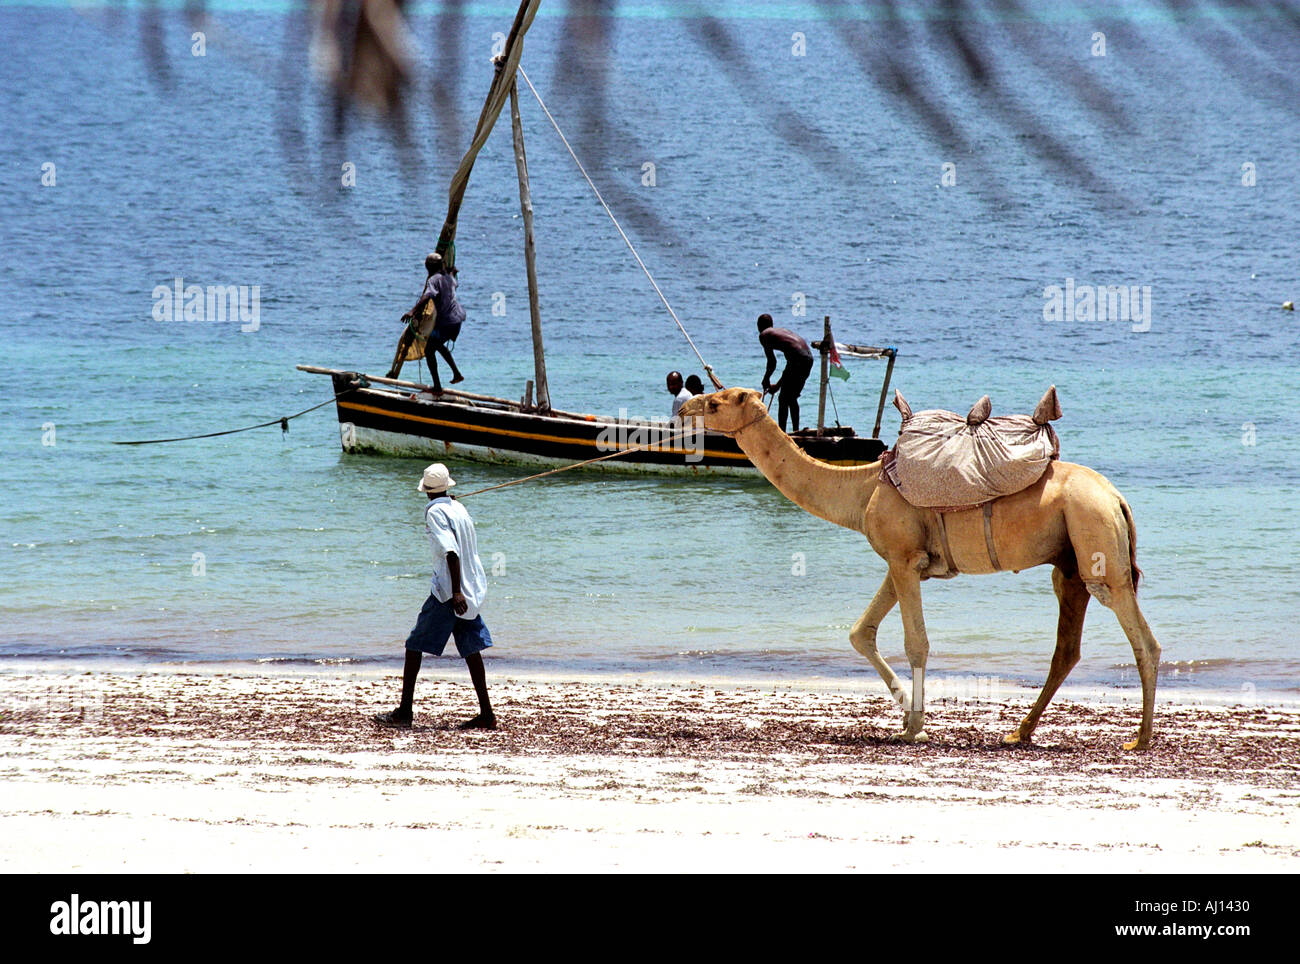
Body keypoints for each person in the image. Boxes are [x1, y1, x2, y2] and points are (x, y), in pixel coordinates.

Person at [374, 463, 495, 730]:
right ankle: (486, 714)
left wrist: (455, 592)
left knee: (413, 645)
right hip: (469, 588)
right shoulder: (457, 507)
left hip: (449, 592)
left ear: (427, 491)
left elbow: (451, 552)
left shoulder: (436, 513)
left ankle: (405, 712)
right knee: (472, 651)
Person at [387, 252, 467, 390]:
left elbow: (428, 295)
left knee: (429, 350)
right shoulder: (449, 278)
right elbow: (453, 276)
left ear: (427, 267)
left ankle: (437, 387)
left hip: (447, 321)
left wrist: (412, 311)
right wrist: (453, 270)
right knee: (437, 345)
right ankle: (456, 374)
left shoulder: (434, 279)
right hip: (457, 320)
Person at [756, 313, 814, 432]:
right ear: (772, 324)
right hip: (808, 358)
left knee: (784, 399)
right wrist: (777, 386)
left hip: (798, 359)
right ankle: (796, 431)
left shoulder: (764, 335)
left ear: (759, 326)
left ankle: (782, 433)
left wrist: (766, 379)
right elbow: (789, 368)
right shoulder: (781, 331)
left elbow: (772, 362)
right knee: (791, 398)